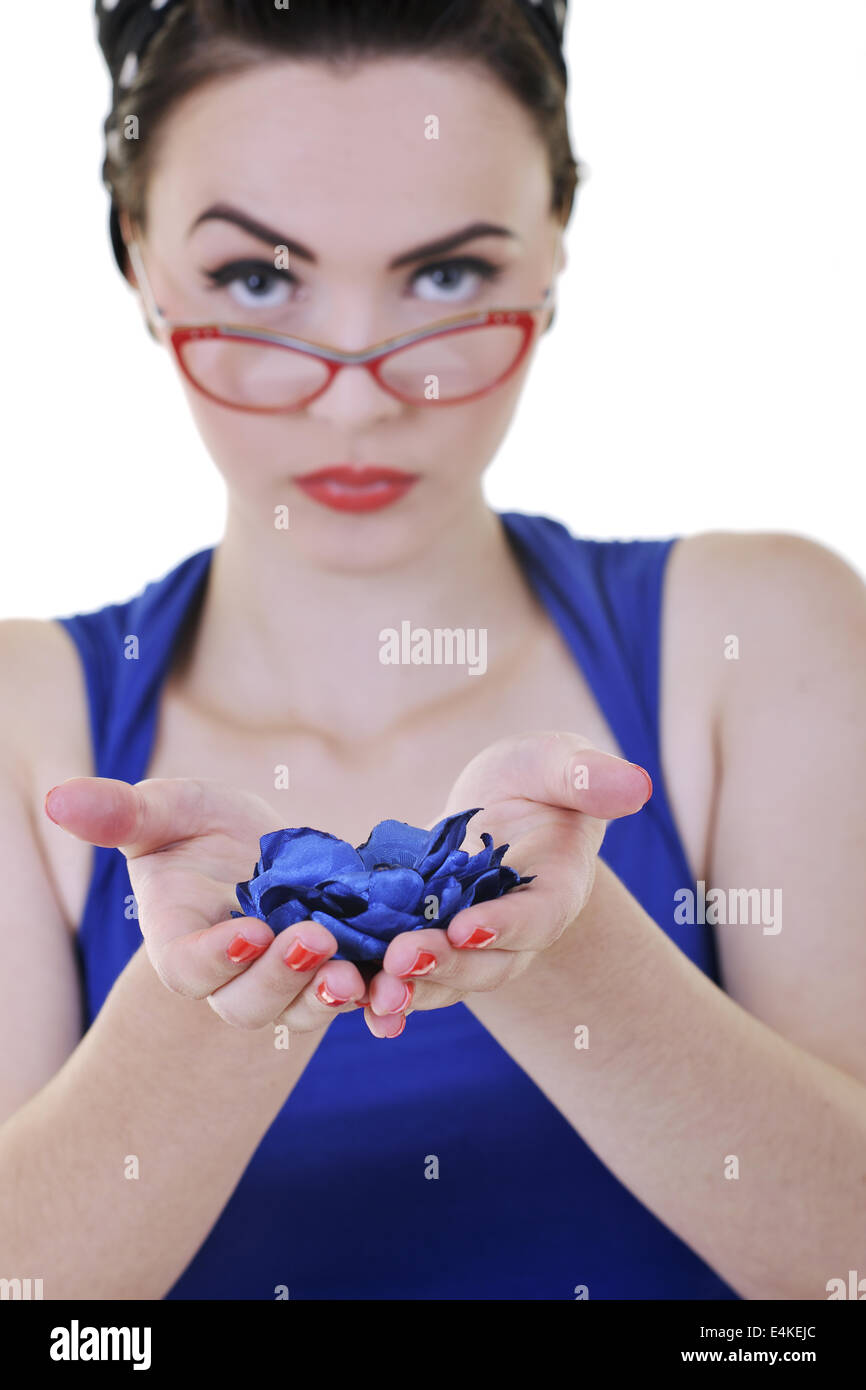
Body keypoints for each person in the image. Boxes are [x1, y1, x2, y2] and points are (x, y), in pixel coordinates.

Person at [1, 0, 863, 1302]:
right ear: (137, 260)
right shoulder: (25, 727)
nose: (357, 390)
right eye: (256, 279)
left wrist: (571, 954)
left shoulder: (759, 636)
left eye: (446, 274)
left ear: (553, 247)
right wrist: (218, 998)